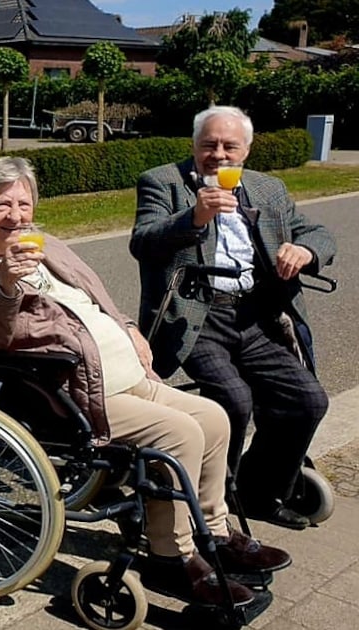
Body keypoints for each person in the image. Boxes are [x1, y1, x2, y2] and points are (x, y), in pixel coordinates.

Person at [0, 156, 290, 606]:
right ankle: (170, 556)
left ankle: (214, 533)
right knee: (179, 433)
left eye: (24, 204)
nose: (16, 215)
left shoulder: (47, 242)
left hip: (122, 372)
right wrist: (3, 284)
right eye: (2, 205)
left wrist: (127, 326)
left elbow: (91, 299)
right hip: (70, 389)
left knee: (215, 418)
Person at [131, 106, 336, 530]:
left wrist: (306, 252)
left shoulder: (267, 188)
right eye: (209, 145)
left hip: (256, 316)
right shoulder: (163, 182)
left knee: (307, 401)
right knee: (234, 402)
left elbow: (317, 233)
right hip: (197, 316)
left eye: (230, 146)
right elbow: (144, 242)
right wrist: (194, 218)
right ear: (194, 145)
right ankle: (212, 503)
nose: (219, 155)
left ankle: (258, 490)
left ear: (246, 150)